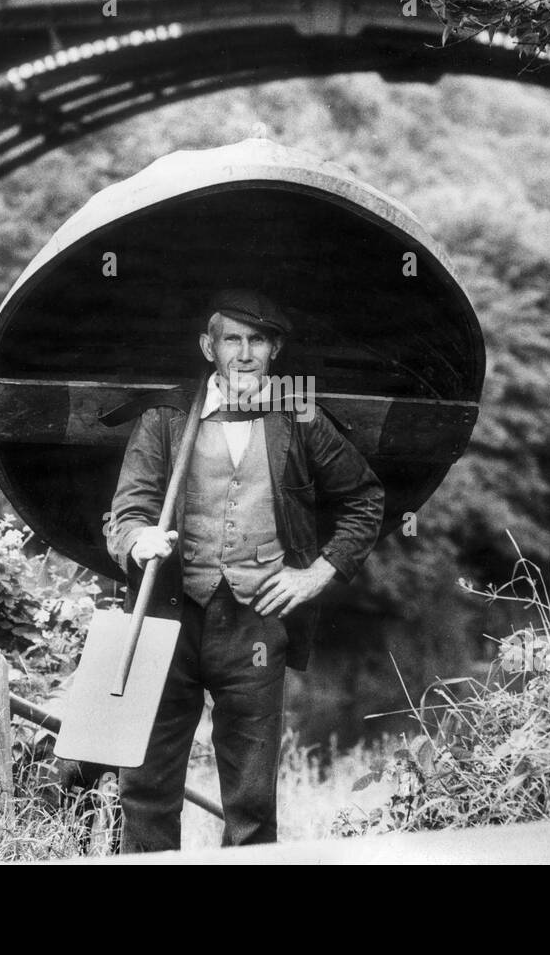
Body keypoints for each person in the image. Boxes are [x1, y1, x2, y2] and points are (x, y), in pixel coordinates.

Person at [104, 288, 384, 851]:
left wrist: (316, 574)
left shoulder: (299, 416)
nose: (246, 353)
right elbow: (125, 512)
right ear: (208, 347)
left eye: (258, 340)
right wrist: (140, 541)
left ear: (275, 350)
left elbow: (365, 499)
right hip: (167, 615)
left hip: (257, 623)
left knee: (252, 800)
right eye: (232, 339)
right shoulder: (163, 418)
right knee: (146, 784)